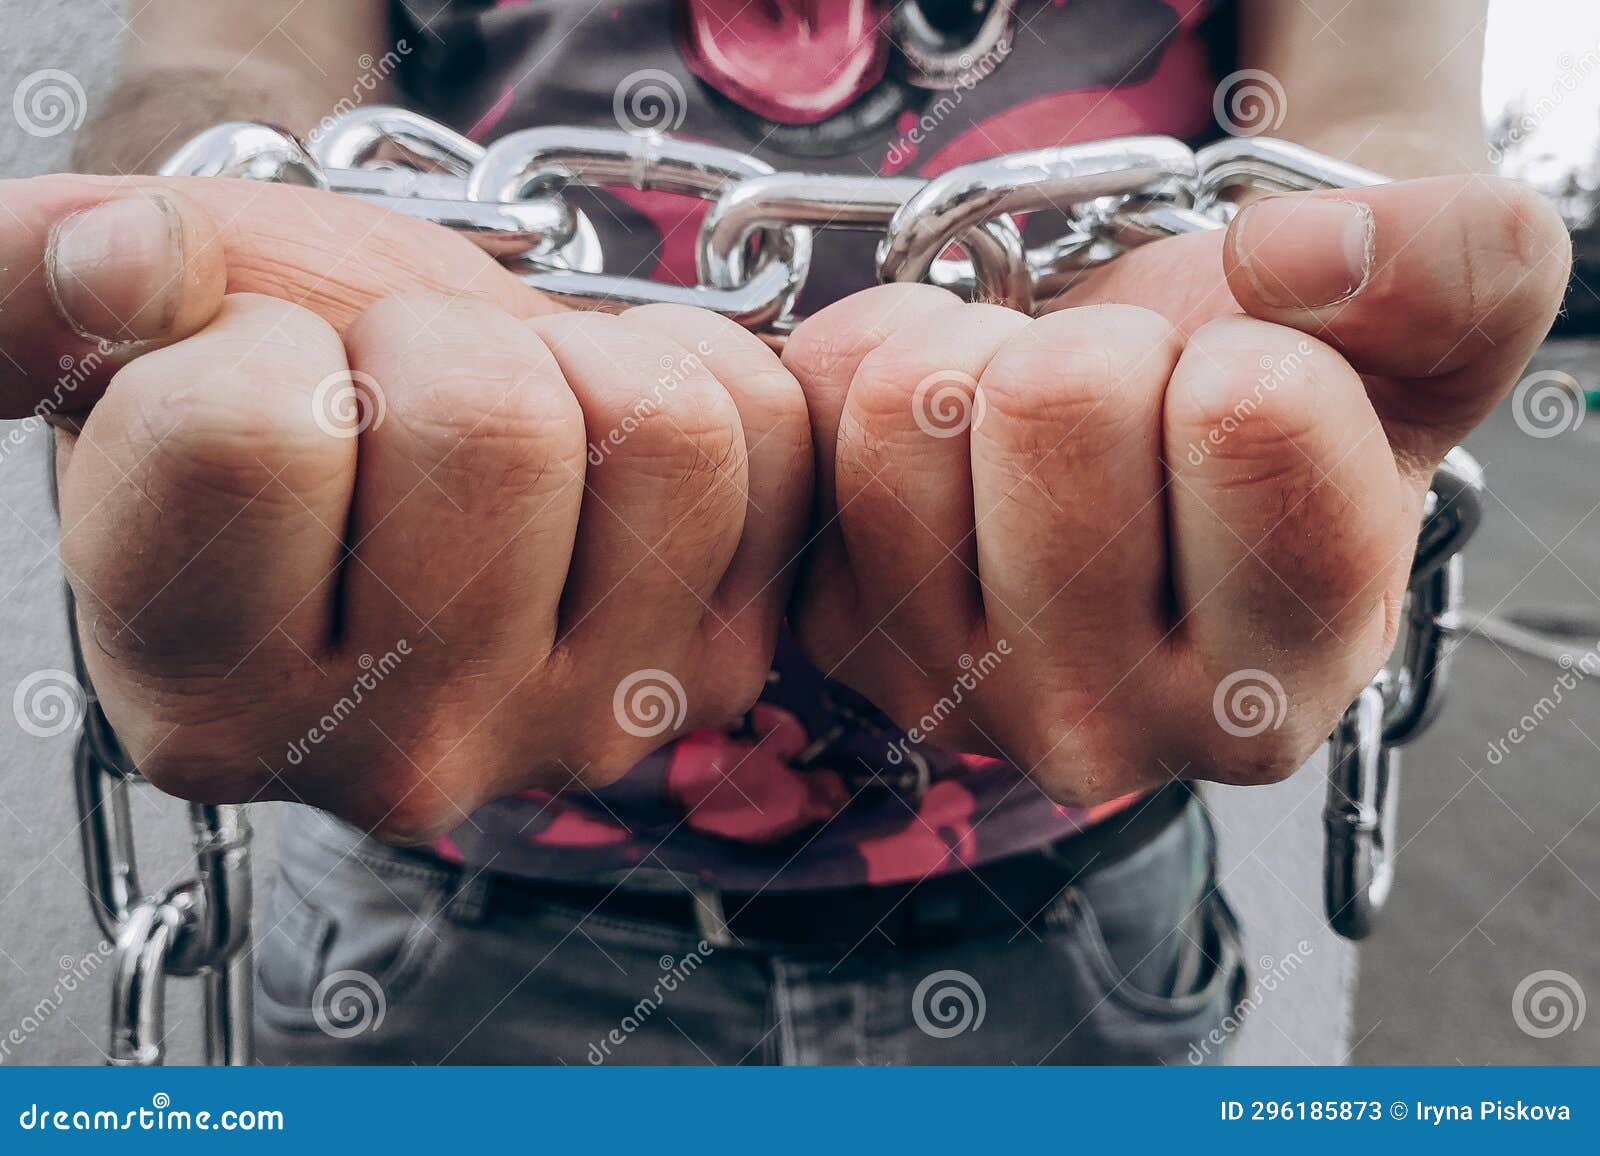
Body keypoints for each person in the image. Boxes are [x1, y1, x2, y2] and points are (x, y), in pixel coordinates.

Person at [6, 0, 1566, 1063]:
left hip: (1068, 918)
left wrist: (1329, 321)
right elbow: (232, 64)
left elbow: (1370, 115)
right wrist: (206, 254)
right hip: (453, 921)